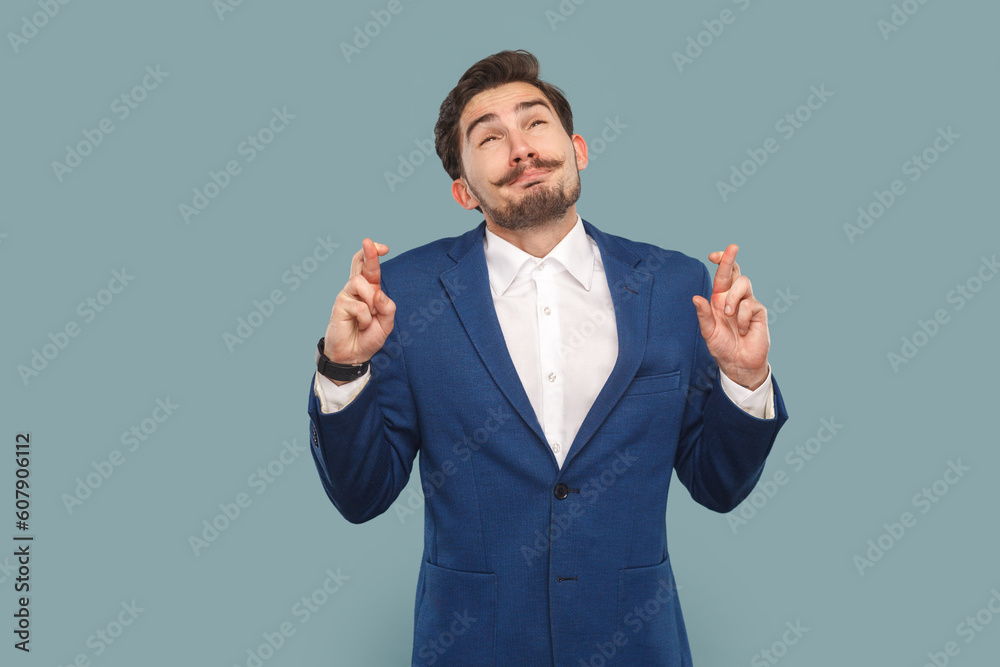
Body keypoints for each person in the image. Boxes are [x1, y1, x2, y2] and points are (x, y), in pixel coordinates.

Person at [307, 49, 788, 666]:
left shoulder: (676, 286)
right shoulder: (402, 296)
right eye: (490, 137)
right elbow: (361, 495)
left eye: (535, 123)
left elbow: (719, 485)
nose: (521, 148)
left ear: (578, 148)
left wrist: (745, 379)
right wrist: (344, 369)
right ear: (464, 192)